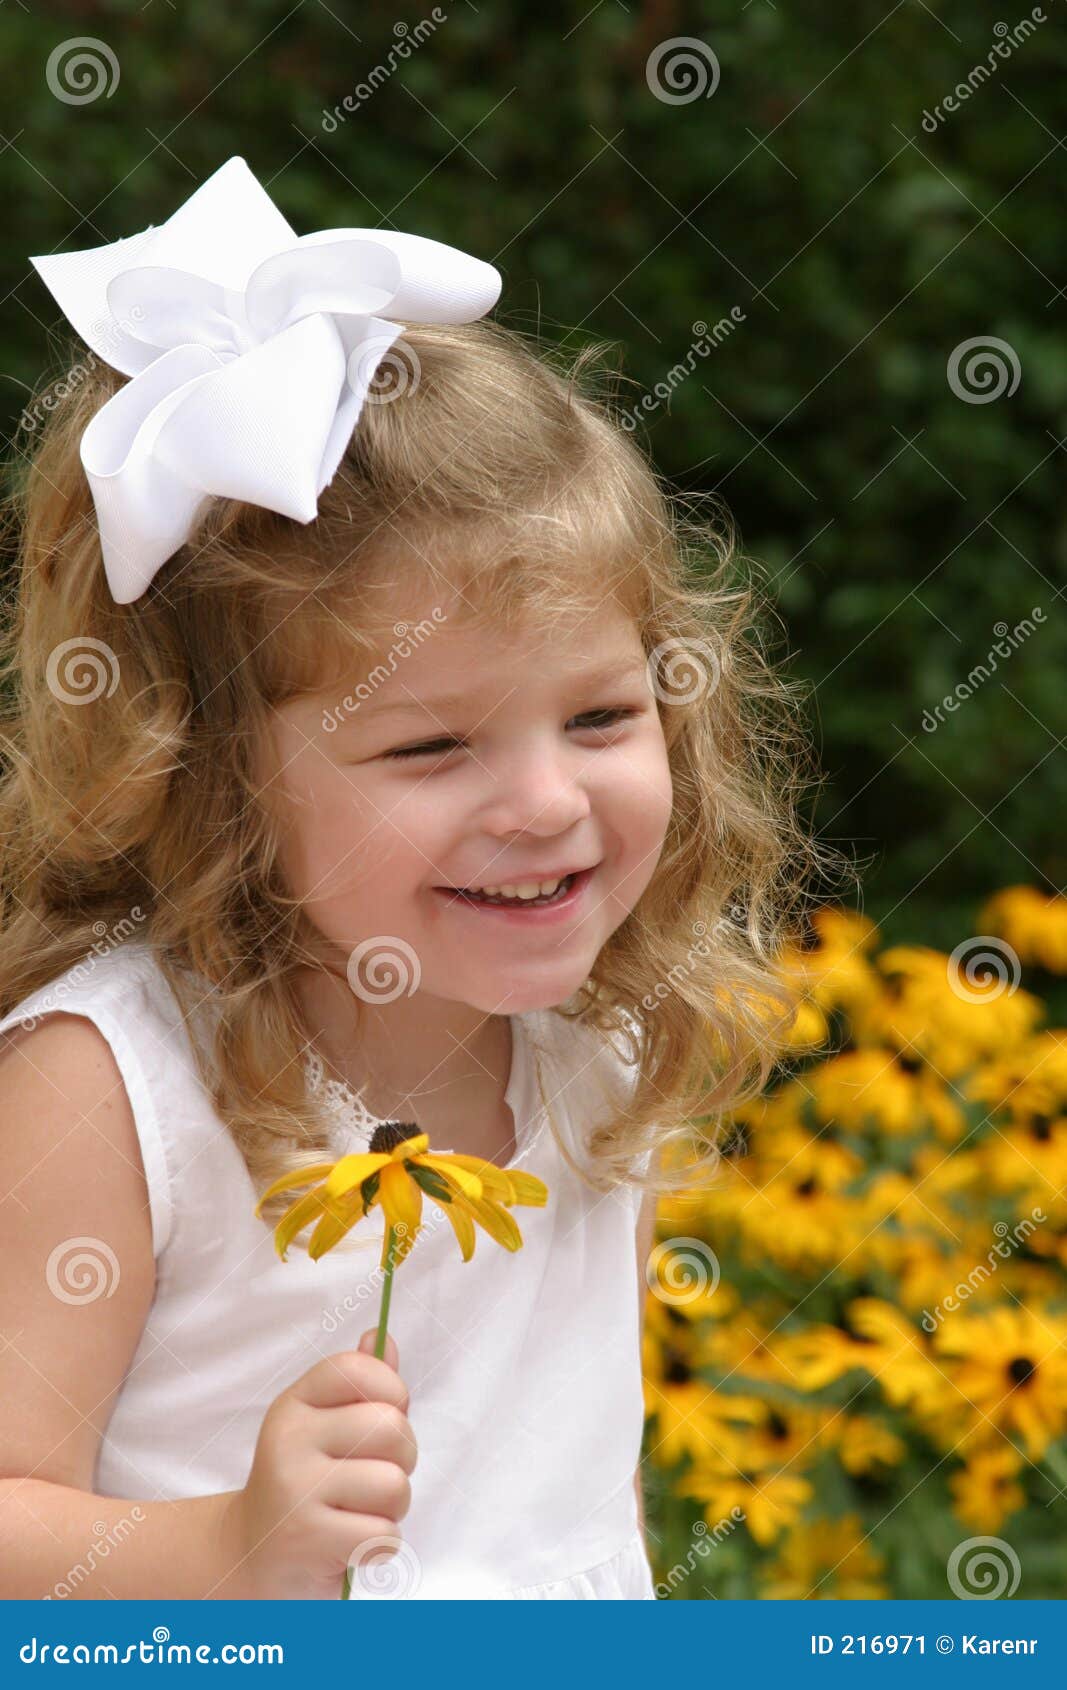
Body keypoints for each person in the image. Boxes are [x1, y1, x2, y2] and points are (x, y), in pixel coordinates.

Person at [0, 158, 817, 1600]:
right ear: (213, 774)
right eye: (433, 742)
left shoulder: (593, 1056)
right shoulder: (112, 1087)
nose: (548, 803)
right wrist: (222, 1543)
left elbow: (575, 1510)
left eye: (604, 717)